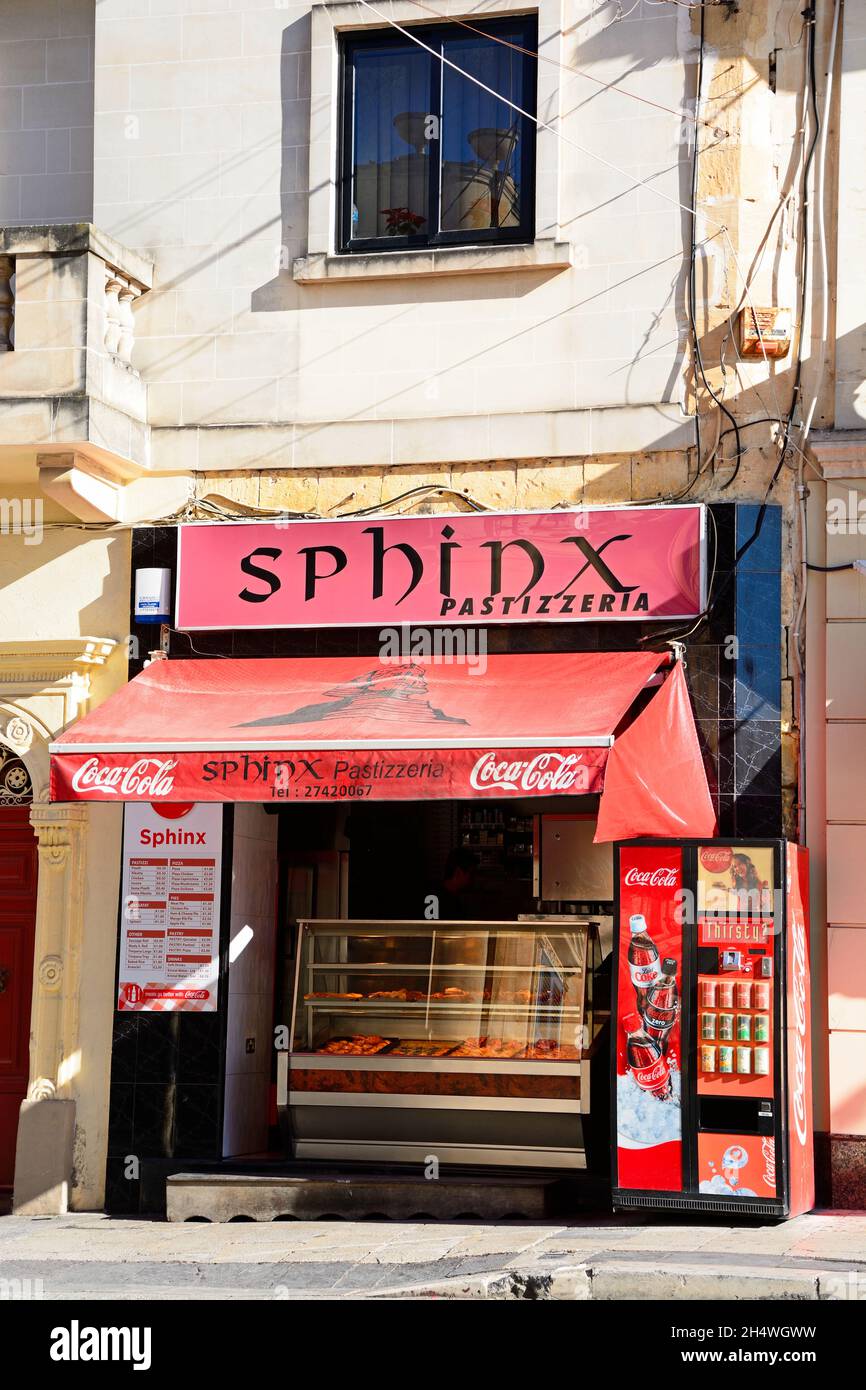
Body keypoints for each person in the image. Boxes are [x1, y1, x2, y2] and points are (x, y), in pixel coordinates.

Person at [435, 847, 478, 920]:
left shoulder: (436, 892)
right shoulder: (451, 906)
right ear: (458, 872)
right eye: (471, 873)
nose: (473, 878)